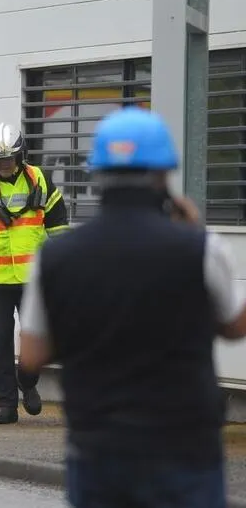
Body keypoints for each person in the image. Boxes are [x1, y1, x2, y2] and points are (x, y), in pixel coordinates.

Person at [18, 106, 246, 508]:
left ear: (98, 176)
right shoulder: (201, 249)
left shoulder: (54, 257)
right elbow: (235, 325)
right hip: (184, 444)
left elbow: (32, 355)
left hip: (98, 445)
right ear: (162, 176)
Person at [0, 122, 69, 424]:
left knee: (40, 337)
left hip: (34, 278)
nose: (4, 164)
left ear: (20, 156)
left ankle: (27, 381)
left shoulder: (40, 180)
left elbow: (58, 221)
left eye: (9, 158)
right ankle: (6, 405)